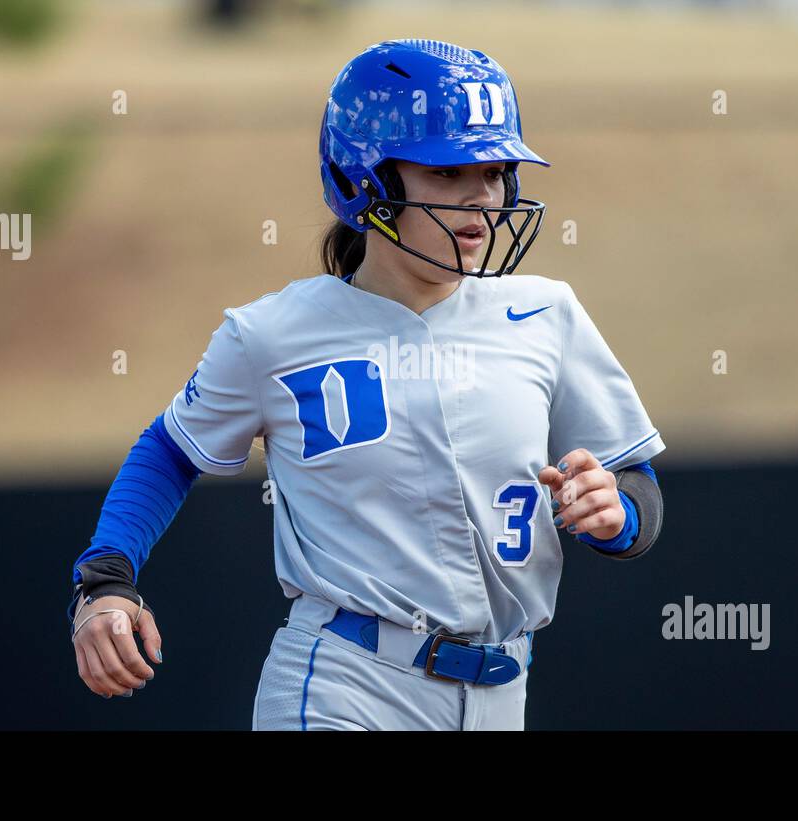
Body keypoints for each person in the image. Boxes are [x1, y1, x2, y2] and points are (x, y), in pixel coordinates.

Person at [67, 38, 666, 730]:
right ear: (365, 179)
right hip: (347, 685)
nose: (483, 193)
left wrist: (616, 514)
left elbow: (639, 488)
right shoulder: (274, 332)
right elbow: (170, 450)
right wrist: (105, 582)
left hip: (504, 691)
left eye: (497, 168)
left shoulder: (545, 314)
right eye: (449, 170)